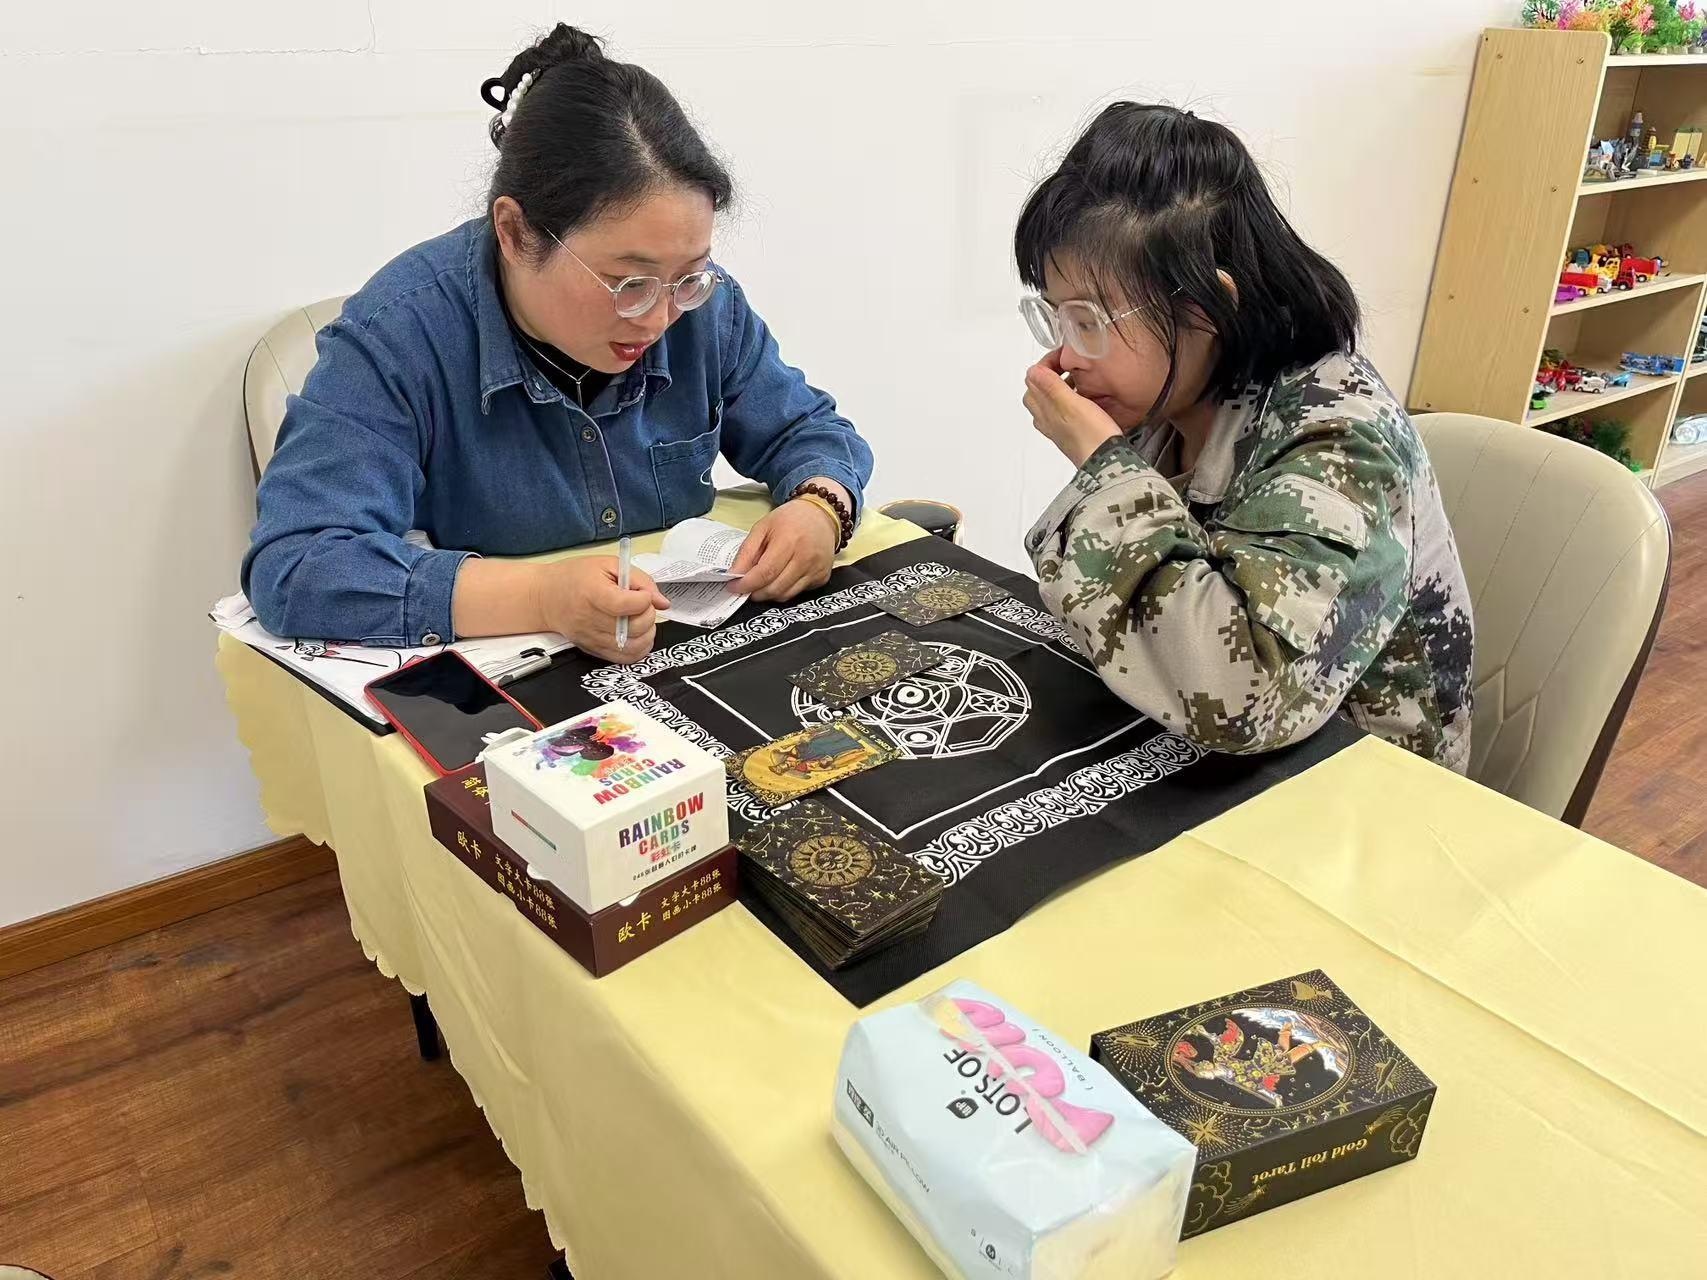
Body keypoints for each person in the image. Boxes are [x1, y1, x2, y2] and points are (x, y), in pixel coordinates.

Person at [244, 25, 872, 664]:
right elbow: (298, 564)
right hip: (501, 688)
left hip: (673, 653)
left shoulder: (703, 308)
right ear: (515, 233)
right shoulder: (399, 337)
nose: (660, 318)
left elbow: (809, 430)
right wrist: (542, 596)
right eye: (628, 283)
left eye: (688, 276)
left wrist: (820, 508)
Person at [1014, 103, 1472, 771]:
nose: (1067, 357)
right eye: (1056, 317)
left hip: (1363, 787)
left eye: (1088, 321)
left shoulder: (1341, 438)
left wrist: (1102, 468)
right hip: (1220, 759)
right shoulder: (1174, 399)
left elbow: (1244, 695)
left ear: (1205, 310)